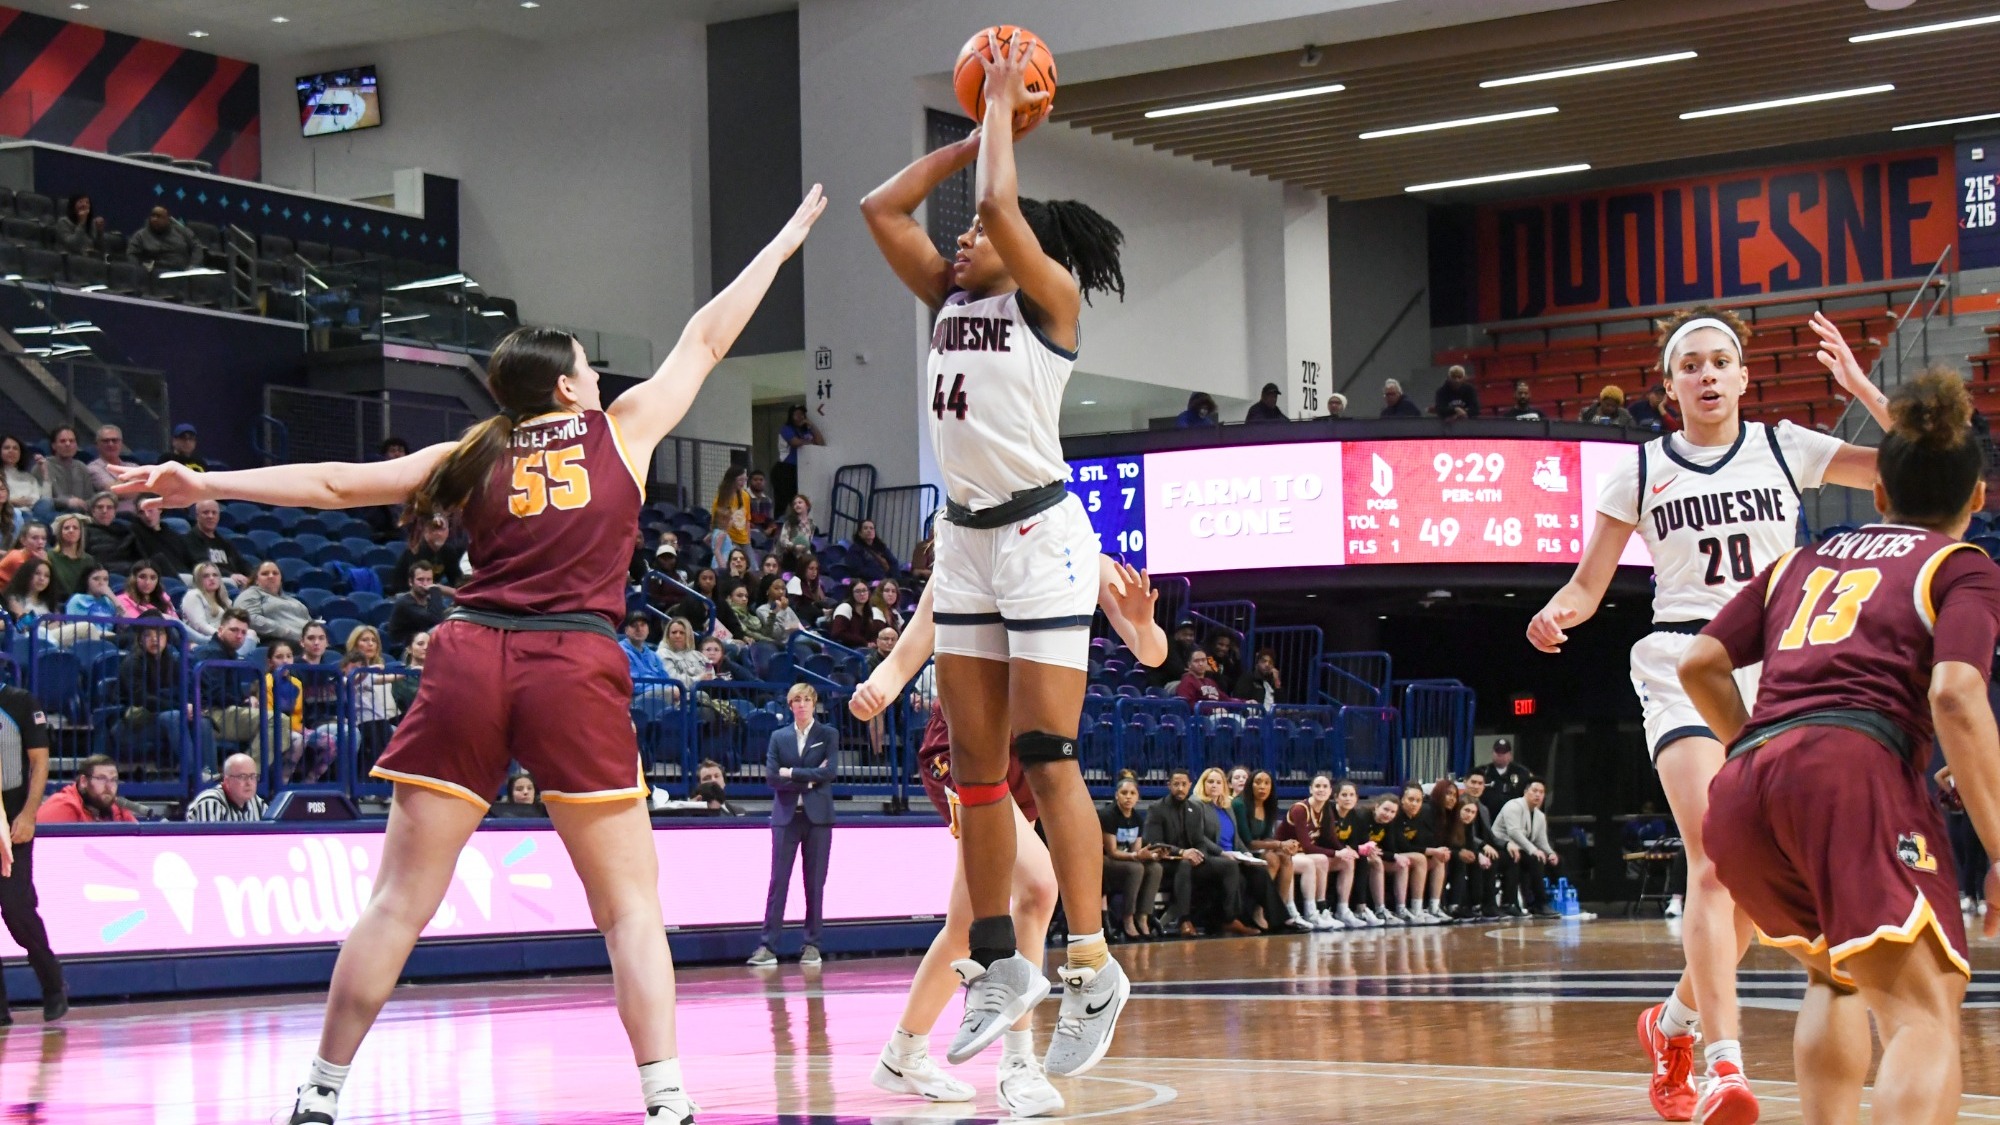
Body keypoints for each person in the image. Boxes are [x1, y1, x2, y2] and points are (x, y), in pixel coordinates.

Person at [111, 183, 827, 1125]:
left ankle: (318, 1095)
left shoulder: (473, 451)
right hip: (571, 662)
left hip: (468, 657)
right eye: (587, 368)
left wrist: (205, 479)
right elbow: (708, 336)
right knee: (629, 910)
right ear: (565, 387)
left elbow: (334, 483)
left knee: (397, 903)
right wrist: (781, 243)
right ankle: (667, 1102)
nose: (598, 379)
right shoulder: (622, 431)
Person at [1527, 306, 1886, 1125]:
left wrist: (1863, 389)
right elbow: (1587, 584)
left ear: (1744, 376)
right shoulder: (1641, 468)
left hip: (1781, 661)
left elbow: (1923, 469)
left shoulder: (1785, 446)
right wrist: (1555, 613)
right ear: (1670, 385)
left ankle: (1673, 1023)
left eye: (1720, 360)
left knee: (1759, 886)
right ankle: (1725, 1065)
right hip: (1683, 659)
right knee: (1716, 860)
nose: (1708, 374)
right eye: (1691, 364)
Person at [862, 34, 1131, 1075]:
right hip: (964, 539)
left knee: (1044, 754)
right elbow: (879, 209)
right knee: (976, 768)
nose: (965, 237)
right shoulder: (950, 301)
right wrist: (974, 136)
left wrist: (1000, 115)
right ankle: (996, 965)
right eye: (966, 233)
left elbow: (1000, 208)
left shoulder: (1048, 303)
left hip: (1038, 535)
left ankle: (1092, 964)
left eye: (980, 231)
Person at [1679, 370, 2000, 1125]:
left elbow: (1698, 664)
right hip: (1852, 770)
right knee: (1924, 1010)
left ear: (1878, 491)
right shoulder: (1960, 565)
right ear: (1978, 497)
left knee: (1836, 975)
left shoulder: (1800, 560)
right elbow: (1956, 694)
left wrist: (1765, 749)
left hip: (1746, 784)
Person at [851, 556, 1162, 1115]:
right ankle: (1019, 1062)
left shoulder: (1084, 557)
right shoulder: (972, 545)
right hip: (967, 745)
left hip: (1032, 749)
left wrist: (1143, 625)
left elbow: (1153, 653)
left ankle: (903, 1053)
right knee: (1038, 889)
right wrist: (884, 681)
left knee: (968, 924)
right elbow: (922, 628)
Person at [748, 683, 837, 969]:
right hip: (786, 817)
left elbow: (830, 772)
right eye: (796, 700)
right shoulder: (778, 736)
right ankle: (768, 946)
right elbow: (773, 777)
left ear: (814, 703)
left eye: (806, 699)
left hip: (818, 818)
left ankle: (812, 945)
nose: (802, 704)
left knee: (815, 883)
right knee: (778, 882)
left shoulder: (828, 734)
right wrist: (809, 779)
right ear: (790, 705)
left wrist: (793, 773)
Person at [0, 677, 60, 1025]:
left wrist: (29, 814)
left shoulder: (20, 702)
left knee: (16, 908)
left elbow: (39, 762)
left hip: (12, 822)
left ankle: (52, 983)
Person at [1142, 768, 1252, 937]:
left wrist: (1199, 854)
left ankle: (1229, 918)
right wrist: (1182, 852)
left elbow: (1200, 840)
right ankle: (1184, 921)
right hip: (1167, 862)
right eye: (1176, 784)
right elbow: (1154, 842)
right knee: (1185, 864)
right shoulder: (1156, 808)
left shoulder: (1194, 808)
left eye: (1184, 784)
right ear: (1169, 785)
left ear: (1190, 785)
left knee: (1229, 866)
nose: (1180, 788)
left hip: (1192, 859)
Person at [1234, 769, 1311, 930]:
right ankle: (1259, 910)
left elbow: (1266, 838)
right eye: (1258, 782)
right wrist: (1280, 844)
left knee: (1285, 856)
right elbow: (1248, 842)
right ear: (1250, 785)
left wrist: (1287, 845)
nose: (1262, 787)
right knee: (1272, 859)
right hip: (1241, 851)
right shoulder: (1239, 804)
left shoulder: (1269, 805)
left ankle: (1280, 912)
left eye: (1266, 783)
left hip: (1259, 849)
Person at [1278, 773, 1348, 929]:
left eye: (1325, 786)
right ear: (1310, 789)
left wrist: (1345, 851)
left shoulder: (1326, 809)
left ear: (1330, 791)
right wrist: (1336, 853)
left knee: (1344, 861)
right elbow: (1307, 846)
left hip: (1301, 854)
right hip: (1284, 853)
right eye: (1317, 786)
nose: (1321, 789)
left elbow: (1331, 838)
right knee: (1313, 862)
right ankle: (1304, 913)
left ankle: (1327, 910)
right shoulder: (1300, 809)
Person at [1101, 774, 1163, 941]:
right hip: (1105, 861)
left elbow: (1137, 850)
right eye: (1124, 793)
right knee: (1135, 868)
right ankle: (1127, 918)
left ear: (1138, 797)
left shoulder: (1137, 818)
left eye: (1132, 793)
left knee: (1155, 868)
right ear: (1116, 795)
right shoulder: (1108, 815)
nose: (1128, 797)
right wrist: (1136, 856)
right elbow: (1112, 851)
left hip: (1126, 858)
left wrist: (1150, 855)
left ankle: (1143, 917)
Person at [119, 623, 188, 766]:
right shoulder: (132, 663)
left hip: (166, 711)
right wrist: (180, 707)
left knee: (203, 721)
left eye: (159, 634)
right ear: (140, 639)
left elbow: (184, 690)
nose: (155, 639)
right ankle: (192, 773)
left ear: (167, 637)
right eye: (148, 635)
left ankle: (208, 771)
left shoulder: (173, 661)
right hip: (136, 717)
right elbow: (140, 698)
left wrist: (190, 707)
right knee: (174, 716)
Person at [1493, 779, 1560, 919]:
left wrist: (1550, 853)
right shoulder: (1513, 806)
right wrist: (1533, 850)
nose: (1538, 795)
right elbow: (1514, 832)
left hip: (1520, 849)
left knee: (1541, 860)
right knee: (1523, 857)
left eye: (1541, 792)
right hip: (1500, 846)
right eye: (1534, 791)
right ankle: (1510, 903)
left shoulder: (1540, 816)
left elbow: (1541, 840)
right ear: (1525, 792)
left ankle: (1539, 903)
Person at [36, 755, 138, 823]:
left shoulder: (117, 807)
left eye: (113, 780)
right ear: (84, 781)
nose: (109, 786)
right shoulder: (63, 806)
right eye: (101, 779)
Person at [235, 560, 311, 647]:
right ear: (256, 580)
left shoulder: (293, 600)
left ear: (281, 579)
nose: (271, 576)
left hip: (308, 642)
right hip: (280, 643)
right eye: (265, 574)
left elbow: (310, 622)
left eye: (275, 573)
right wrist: (284, 631)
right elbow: (249, 618)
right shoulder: (250, 594)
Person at [178, 500, 251, 588]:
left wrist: (254, 577)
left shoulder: (225, 543)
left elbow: (242, 564)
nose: (210, 516)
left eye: (214, 513)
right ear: (197, 516)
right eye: (205, 512)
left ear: (218, 516)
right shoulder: (189, 539)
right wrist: (230, 575)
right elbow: (202, 565)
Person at [385, 560, 453, 652]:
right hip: (405, 651)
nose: (425, 584)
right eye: (420, 580)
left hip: (425, 648)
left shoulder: (429, 602)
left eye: (429, 580)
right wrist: (435, 590)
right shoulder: (404, 603)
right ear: (410, 582)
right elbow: (436, 621)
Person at [186, 753, 267, 822]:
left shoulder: (258, 803)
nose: (249, 783)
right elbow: (209, 836)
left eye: (253, 776)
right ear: (227, 781)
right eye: (242, 777)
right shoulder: (210, 802)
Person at [394, 516, 464, 594]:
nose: (439, 533)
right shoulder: (416, 551)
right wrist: (447, 590)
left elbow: (456, 579)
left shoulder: (448, 551)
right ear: (425, 531)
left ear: (448, 531)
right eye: (434, 529)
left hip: (431, 594)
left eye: (442, 529)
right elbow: (420, 586)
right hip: (406, 594)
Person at [774, 404, 823, 511]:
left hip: (801, 468)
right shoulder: (786, 429)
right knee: (784, 500)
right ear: (791, 416)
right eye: (796, 414)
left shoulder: (806, 430)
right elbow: (795, 442)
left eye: (802, 414)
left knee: (799, 498)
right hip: (786, 467)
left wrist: (812, 426)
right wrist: (810, 442)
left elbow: (820, 443)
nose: (800, 417)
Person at [119, 495, 182, 570]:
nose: (147, 515)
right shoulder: (135, 533)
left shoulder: (173, 535)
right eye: (141, 512)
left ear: (160, 509)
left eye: (150, 510)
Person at [1471, 737, 1530, 818]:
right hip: (1487, 818)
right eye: (1497, 751)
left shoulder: (1522, 772)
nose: (1500, 755)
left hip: (1514, 818)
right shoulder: (1482, 772)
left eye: (1503, 752)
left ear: (1510, 755)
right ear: (1493, 753)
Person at [127, 205, 197, 271]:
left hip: (182, 270)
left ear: (167, 219)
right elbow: (132, 253)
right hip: (155, 272)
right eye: (153, 216)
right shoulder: (141, 235)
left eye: (159, 216)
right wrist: (139, 269)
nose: (155, 219)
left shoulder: (181, 232)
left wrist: (193, 265)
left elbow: (196, 247)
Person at [180, 562, 236, 643]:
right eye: (206, 576)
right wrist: (223, 635)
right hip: (203, 641)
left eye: (215, 575)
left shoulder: (223, 598)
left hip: (221, 638)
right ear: (198, 580)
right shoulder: (193, 595)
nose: (211, 578)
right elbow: (200, 626)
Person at [44, 514, 94, 604]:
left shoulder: (89, 560)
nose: (71, 530)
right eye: (66, 528)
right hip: (57, 603)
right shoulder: (50, 556)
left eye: (75, 528)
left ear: (81, 533)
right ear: (60, 532)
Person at [39, 427, 90, 513]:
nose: (68, 444)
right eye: (63, 441)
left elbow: (90, 498)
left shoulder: (82, 467)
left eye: (71, 441)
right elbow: (41, 501)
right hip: (53, 514)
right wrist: (67, 502)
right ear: (53, 445)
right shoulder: (42, 466)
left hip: (81, 515)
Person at [85, 427, 135, 510]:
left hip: (143, 512)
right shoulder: (93, 468)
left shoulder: (133, 466)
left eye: (115, 440)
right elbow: (114, 491)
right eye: (106, 441)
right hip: (117, 514)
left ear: (121, 444)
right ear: (97, 445)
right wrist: (136, 482)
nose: (111, 444)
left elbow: (149, 488)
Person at [3, 558, 54, 629]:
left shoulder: (49, 602)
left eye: (47, 576)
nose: (42, 578)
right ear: (26, 574)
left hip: (51, 633)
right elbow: (25, 623)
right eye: (37, 573)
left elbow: (60, 622)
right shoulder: (14, 599)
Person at [83, 492, 127, 566]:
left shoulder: (125, 530)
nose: (104, 511)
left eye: (109, 507)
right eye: (100, 507)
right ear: (93, 511)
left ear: (115, 512)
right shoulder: (84, 532)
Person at [0, 523, 48, 588]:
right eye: (34, 538)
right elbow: (32, 586)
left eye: (43, 538)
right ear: (23, 541)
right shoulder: (18, 559)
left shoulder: (38, 557)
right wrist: (44, 562)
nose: (40, 542)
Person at [1, 435, 41, 508]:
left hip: (30, 511)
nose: (11, 451)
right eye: (7, 448)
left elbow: (38, 499)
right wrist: (12, 501)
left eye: (15, 448)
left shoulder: (29, 478)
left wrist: (45, 473)